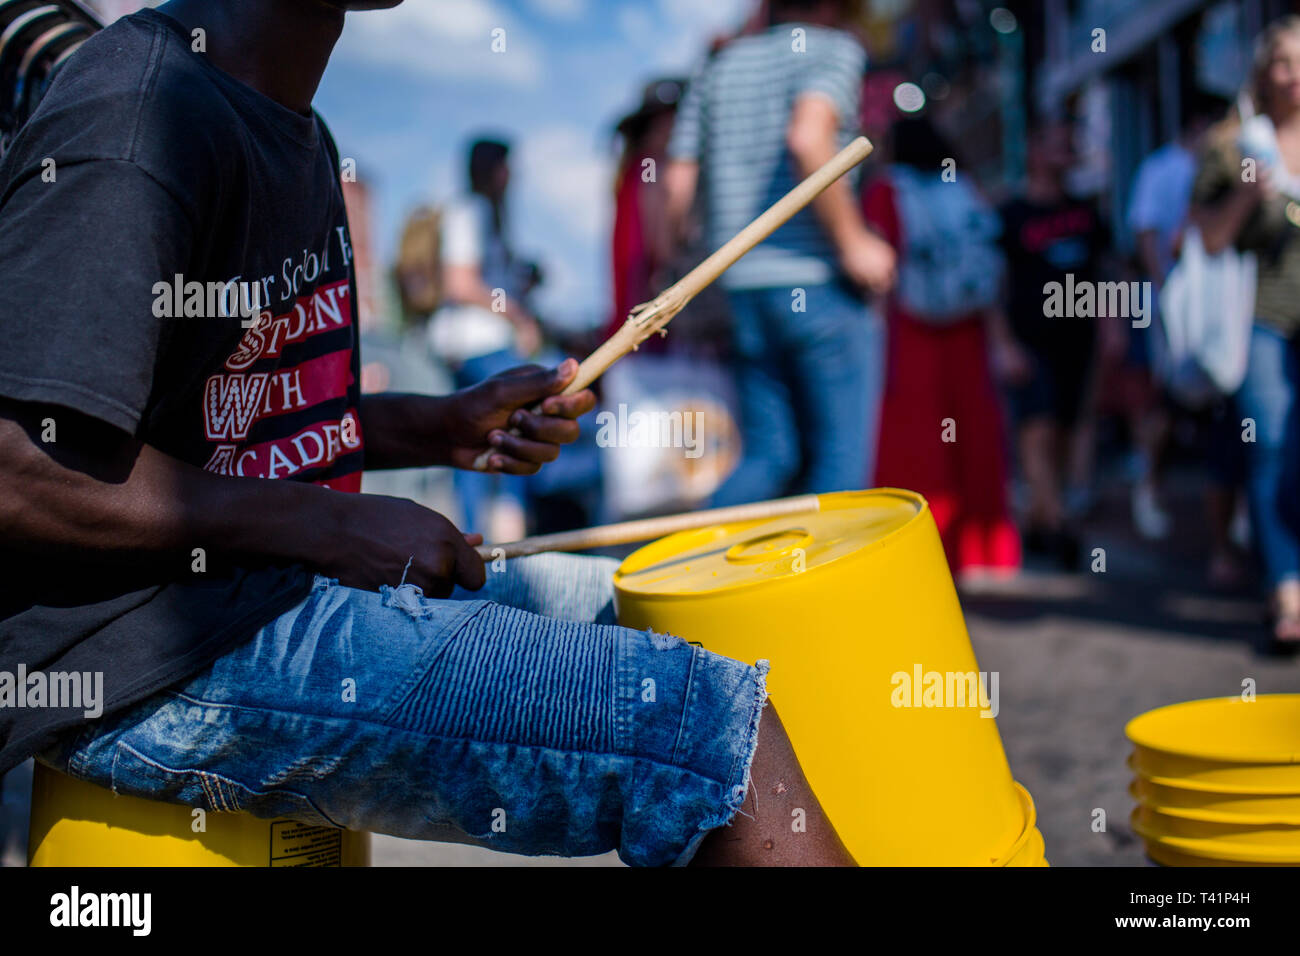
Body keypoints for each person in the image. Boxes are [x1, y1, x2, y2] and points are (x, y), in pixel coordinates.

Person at [0, 0, 855, 866]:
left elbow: (228, 417)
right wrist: (333, 525)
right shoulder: (140, 111)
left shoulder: (299, 126)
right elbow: (23, 470)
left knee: (670, 606)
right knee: (694, 722)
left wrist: (438, 424)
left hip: (270, 592)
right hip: (147, 658)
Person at [664, 0, 895, 506]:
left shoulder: (720, 66)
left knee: (771, 457)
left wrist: (683, 257)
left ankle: (701, 567)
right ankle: (823, 587)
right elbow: (809, 138)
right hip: (816, 283)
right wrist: (854, 243)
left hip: (742, 290)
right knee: (840, 463)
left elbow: (677, 185)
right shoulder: (833, 50)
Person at [862, 116, 1021, 581]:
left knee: (916, 446)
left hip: (910, 332)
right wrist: (1003, 341)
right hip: (968, 331)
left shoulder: (887, 190)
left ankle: (920, 554)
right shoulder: (963, 188)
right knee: (972, 434)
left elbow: (879, 266)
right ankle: (982, 552)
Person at [1190, 16, 1300, 648]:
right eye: (1280, 62)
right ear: (1264, 73)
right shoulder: (1237, 146)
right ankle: (1285, 590)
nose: (1291, 74)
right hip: (1261, 318)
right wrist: (1246, 198)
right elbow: (1207, 238)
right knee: (1272, 446)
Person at [997, 120, 1116, 571]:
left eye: (1070, 146)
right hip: (1031, 340)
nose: (1065, 153)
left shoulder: (1087, 212)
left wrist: (1112, 324)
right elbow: (994, 284)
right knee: (1037, 428)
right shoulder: (1011, 214)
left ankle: (1047, 515)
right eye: (1056, 144)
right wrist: (1004, 344)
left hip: (1079, 337)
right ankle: (1058, 520)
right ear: (1033, 150)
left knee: (1072, 429)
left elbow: (1106, 271)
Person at [1124, 90, 1231, 545]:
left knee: (1223, 404)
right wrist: (1168, 296)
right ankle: (1149, 488)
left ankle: (1230, 514)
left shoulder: (1226, 166)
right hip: (1174, 308)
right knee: (1169, 400)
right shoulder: (1161, 168)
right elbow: (1147, 236)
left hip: (1220, 309)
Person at [428, 137, 538, 541]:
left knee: (471, 439)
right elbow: (460, 282)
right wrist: (519, 316)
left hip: (467, 345)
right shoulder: (470, 210)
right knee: (518, 429)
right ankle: (508, 529)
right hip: (481, 344)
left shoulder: (485, 215)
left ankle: (475, 540)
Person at [607, 78, 683, 347]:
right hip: (654, 317)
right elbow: (658, 242)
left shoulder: (630, 169)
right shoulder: (654, 167)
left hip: (631, 320)